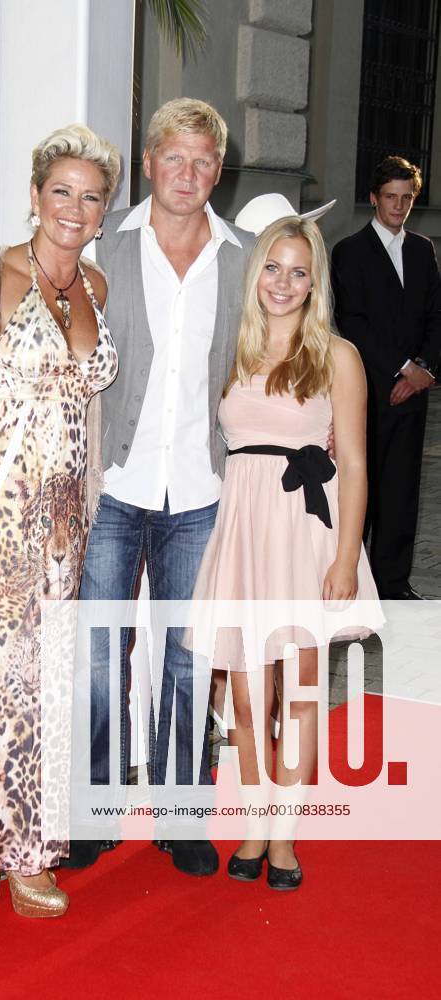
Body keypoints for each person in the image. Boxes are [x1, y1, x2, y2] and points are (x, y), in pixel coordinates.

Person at [0, 124, 119, 917]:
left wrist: (82, 503)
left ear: (104, 209)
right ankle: (13, 852)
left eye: (91, 196)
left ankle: (22, 836)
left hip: (66, 524)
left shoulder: (95, 286)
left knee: (49, 683)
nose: (74, 207)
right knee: (3, 687)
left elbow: (84, 407)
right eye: (60, 191)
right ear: (35, 197)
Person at [66, 98, 255, 878]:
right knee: (100, 654)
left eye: (203, 161)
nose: (188, 173)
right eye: (173, 157)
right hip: (112, 484)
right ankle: (93, 810)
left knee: (187, 657)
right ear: (147, 164)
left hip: (202, 488)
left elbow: (272, 358)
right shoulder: (99, 244)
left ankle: (182, 816)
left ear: (219, 170)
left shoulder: (244, 257)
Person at [191, 216, 380, 889]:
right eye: (272, 267)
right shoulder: (230, 349)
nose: (283, 283)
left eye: (298, 272)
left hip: (306, 537)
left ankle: (282, 839)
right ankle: (253, 824)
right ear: (256, 274)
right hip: (242, 535)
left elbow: (354, 464)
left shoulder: (337, 356)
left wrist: (345, 558)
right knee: (246, 701)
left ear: (314, 283)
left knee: (299, 696)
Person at [332, 156, 441, 599]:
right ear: (374, 198)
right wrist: (402, 367)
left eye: (407, 198)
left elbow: (436, 315)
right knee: (362, 488)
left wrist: (424, 371)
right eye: (390, 197)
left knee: (402, 492)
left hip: (413, 392)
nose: (398, 205)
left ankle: (394, 585)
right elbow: (353, 322)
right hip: (368, 389)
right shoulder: (349, 251)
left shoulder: (422, 249)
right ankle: (355, 585)